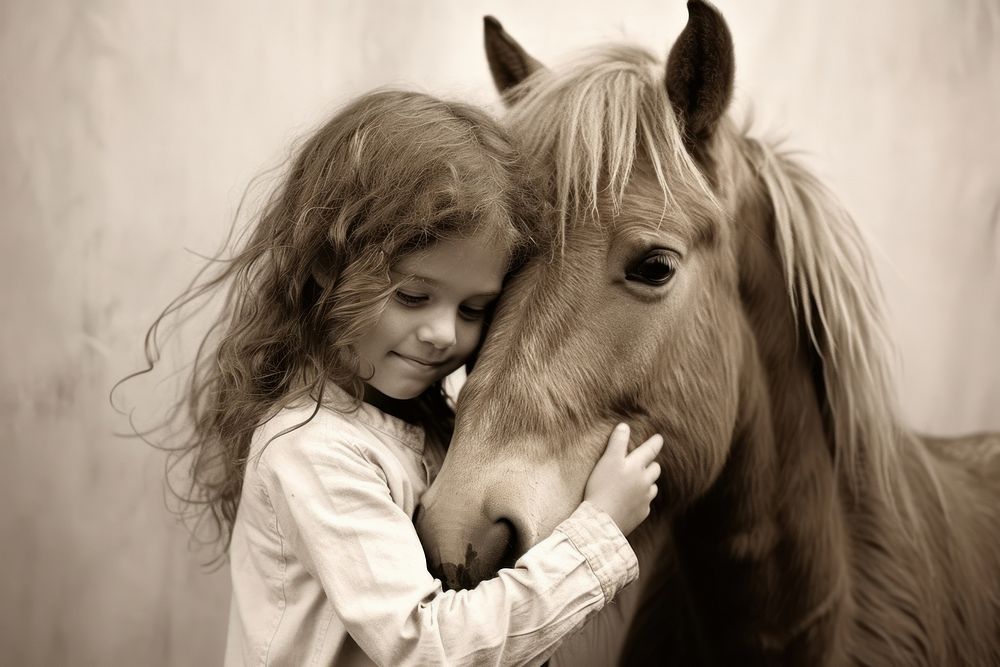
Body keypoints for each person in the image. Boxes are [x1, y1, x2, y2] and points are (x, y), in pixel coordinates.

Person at [129, 90, 662, 666]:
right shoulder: (313, 449)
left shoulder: (428, 425)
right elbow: (428, 648)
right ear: (326, 270)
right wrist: (597, 536)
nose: (441, 333)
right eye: (413, 296)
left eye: (474, 309)